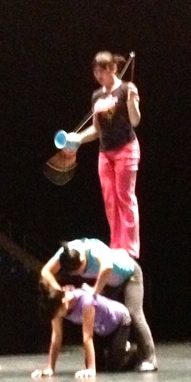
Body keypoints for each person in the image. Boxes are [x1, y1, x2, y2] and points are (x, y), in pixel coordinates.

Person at [40, 238, 157, 372]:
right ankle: (119, 347)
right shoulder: (65, 252)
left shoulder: (93, 249)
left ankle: (149, 359)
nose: (80, 274)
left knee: (133, 312)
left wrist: (95, 291)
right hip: (109, 281)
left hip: (129, 274)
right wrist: (59, 293)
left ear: (83, 259)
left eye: (80, 270)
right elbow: (45, 272)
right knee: (103, 314)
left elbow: (107, 266)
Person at [69, 51, 141, 258]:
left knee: (124, 196)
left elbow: (135, 121)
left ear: (113, 69)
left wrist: (131, 101)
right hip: (105, 153)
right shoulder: (97, 96)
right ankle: (117, 245)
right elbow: (97, 130)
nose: (98, 76)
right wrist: (77, 139)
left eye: (102, 71)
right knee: (110, 199)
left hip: (126, 149)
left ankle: (130, 249)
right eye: (96, 72)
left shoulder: (127, 89)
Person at [31, 283, 137, 379]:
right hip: (100, 329)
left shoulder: (86, 301)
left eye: (59, 314)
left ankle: (132, 351)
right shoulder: (56, 305)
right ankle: (117, 348)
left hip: (119, 322)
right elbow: (56, 336)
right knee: (99, 367)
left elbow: (87, 336)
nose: (59, 317)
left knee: (114, 366)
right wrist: (50, 368)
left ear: (64, 303)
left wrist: (91, 369)